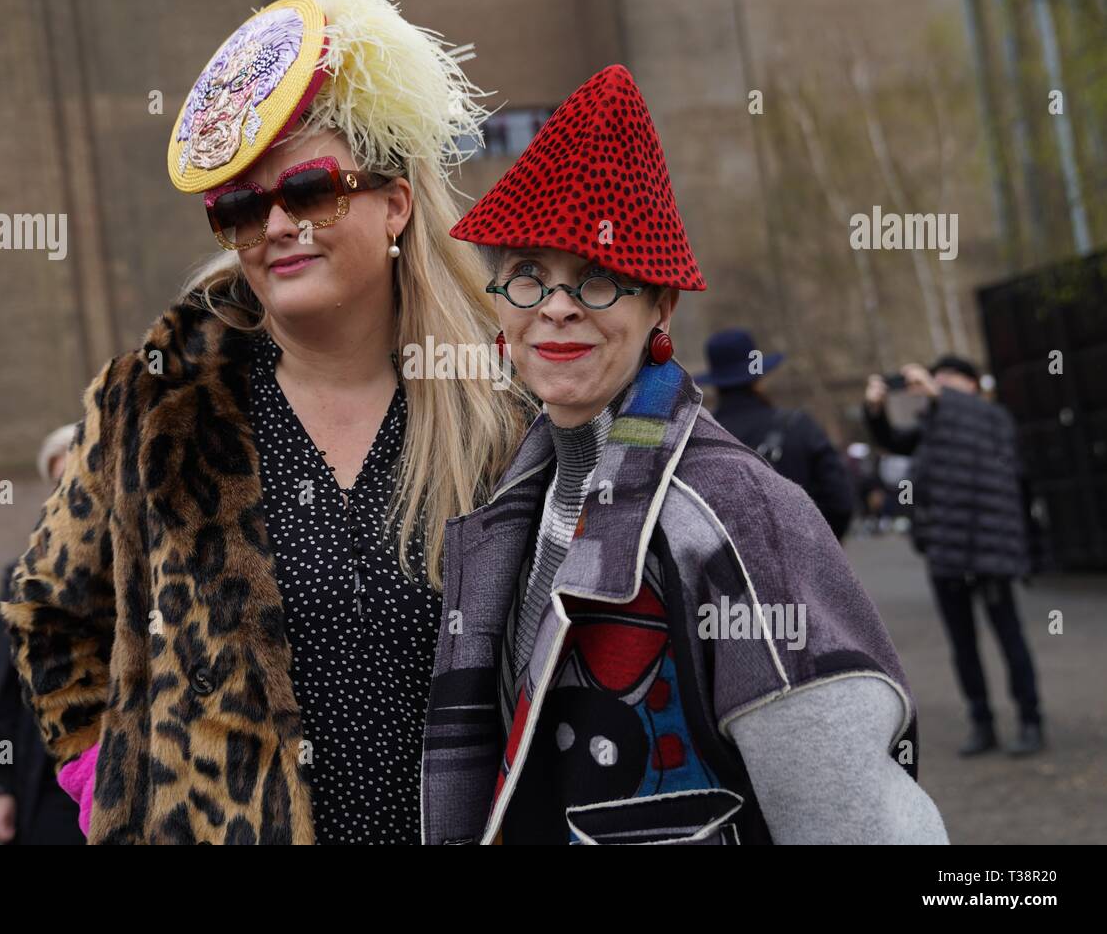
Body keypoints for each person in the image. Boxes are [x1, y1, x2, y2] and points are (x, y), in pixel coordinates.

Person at [0, 0, 530, 844]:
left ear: (394, 203)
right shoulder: (152, 406)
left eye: (312, 189)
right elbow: (46, 608)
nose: (277, 223)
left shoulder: (494, 410)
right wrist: (115, 787)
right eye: (241, 206)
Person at [425, 64, 948, 844]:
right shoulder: (509, 503)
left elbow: (862, 827)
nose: (558, 305)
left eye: (597, 279)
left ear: (660, 304)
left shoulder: (741, 515)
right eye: (529, 275)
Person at [864, 358, 1043, 757]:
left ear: (974, 386)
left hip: (989, 549)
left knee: (1009, 636)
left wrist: (940, 395)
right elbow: (894, 441)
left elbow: (985, 440)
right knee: (962, 644)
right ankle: (981, 721)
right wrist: (875, 411)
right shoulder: (933, 425)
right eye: (935, 379)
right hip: (946, 550)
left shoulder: (992, 418)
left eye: (948, 380)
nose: (938, 385)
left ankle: (1030, 718)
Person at [0, 424, 85, 845]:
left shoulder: (165, 563)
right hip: (55, 785)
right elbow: (2, 690)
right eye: (60, 479)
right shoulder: (28, 578)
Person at [697, 327, 854, 539]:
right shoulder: (799, 427)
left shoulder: (698, 437)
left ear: (716, 382)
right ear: (759, 379)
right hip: (804, 553)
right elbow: (840, 501)